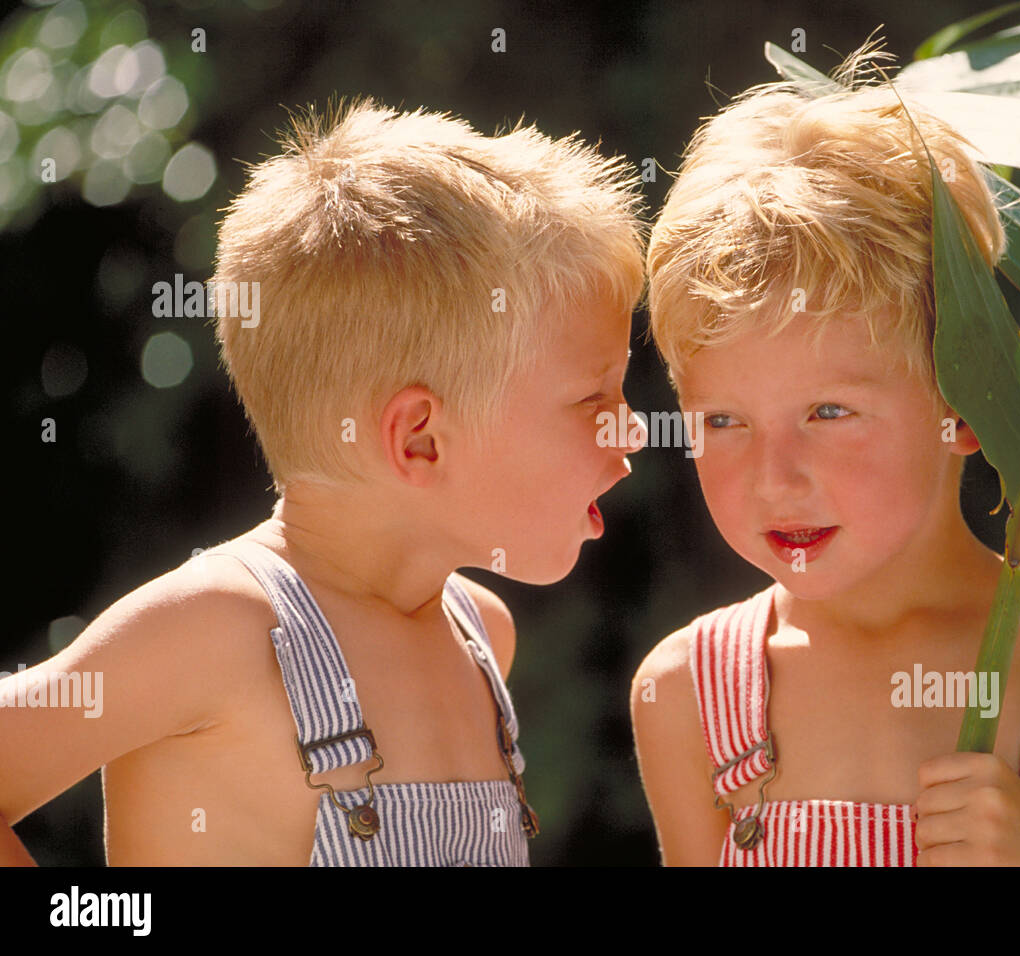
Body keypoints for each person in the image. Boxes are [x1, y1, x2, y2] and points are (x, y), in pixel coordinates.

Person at [629, 44, 1020, 866]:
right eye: (723, 421)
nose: (772, 476)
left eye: (828, 411)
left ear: (966, 404)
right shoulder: (687, 693)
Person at [1, 99, 645, 865]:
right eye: (593, 399)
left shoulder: (481, 635)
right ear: (420, 440)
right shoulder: (219, 629)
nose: (632, 427)